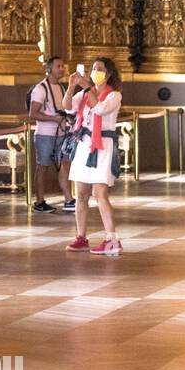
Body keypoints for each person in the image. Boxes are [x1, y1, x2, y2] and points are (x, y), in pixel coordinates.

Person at [62, 56, 124, 257]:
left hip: (102, 145)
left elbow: (99, 109)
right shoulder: (84, 93)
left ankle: (112, 239)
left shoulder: (113, 95)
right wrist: (71, 87)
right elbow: (67, 106)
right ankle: (81, 236)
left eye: (99, 69)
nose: (95, 71)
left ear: (109, 74)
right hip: (84, 144)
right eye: (93, 68)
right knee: (81, 193)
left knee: (100, 193)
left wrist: (88, 87)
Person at [28, 55, 74, 213]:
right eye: (58, 66)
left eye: (63, 66)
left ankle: (68, 199)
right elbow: (32, 114)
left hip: (61, 134)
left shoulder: (62, 88)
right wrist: (53, 118)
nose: (62, 69)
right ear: (49, 69)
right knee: (43, 166)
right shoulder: (41, 88)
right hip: (45, 135)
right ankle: (39, 202)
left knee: (64, 165)